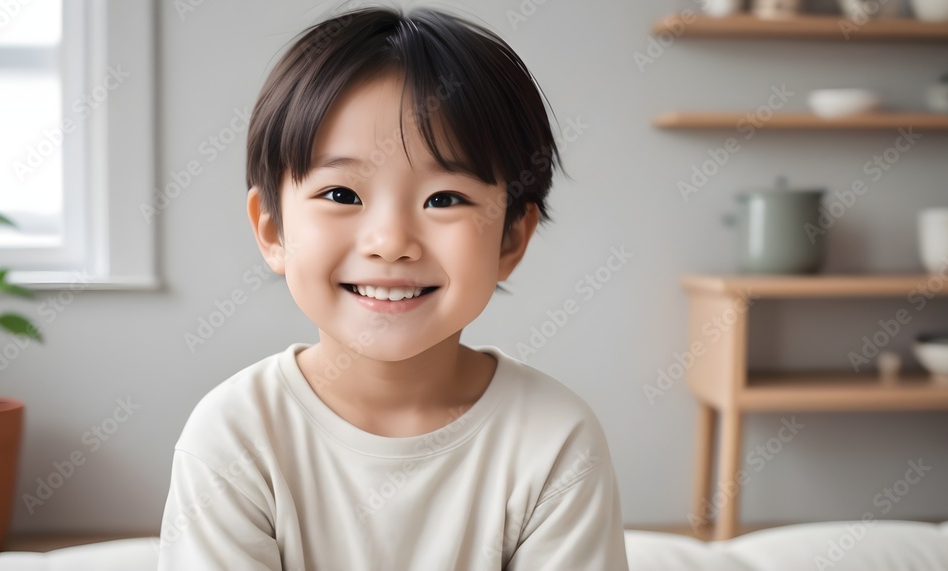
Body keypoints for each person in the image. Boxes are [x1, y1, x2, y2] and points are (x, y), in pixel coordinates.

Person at [157, 4, 629, 570]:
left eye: (444, 199)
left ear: (510, 240)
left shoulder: (556, 440)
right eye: (341, 195)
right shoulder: (234, 436)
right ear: (272, 230)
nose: (390, 242)